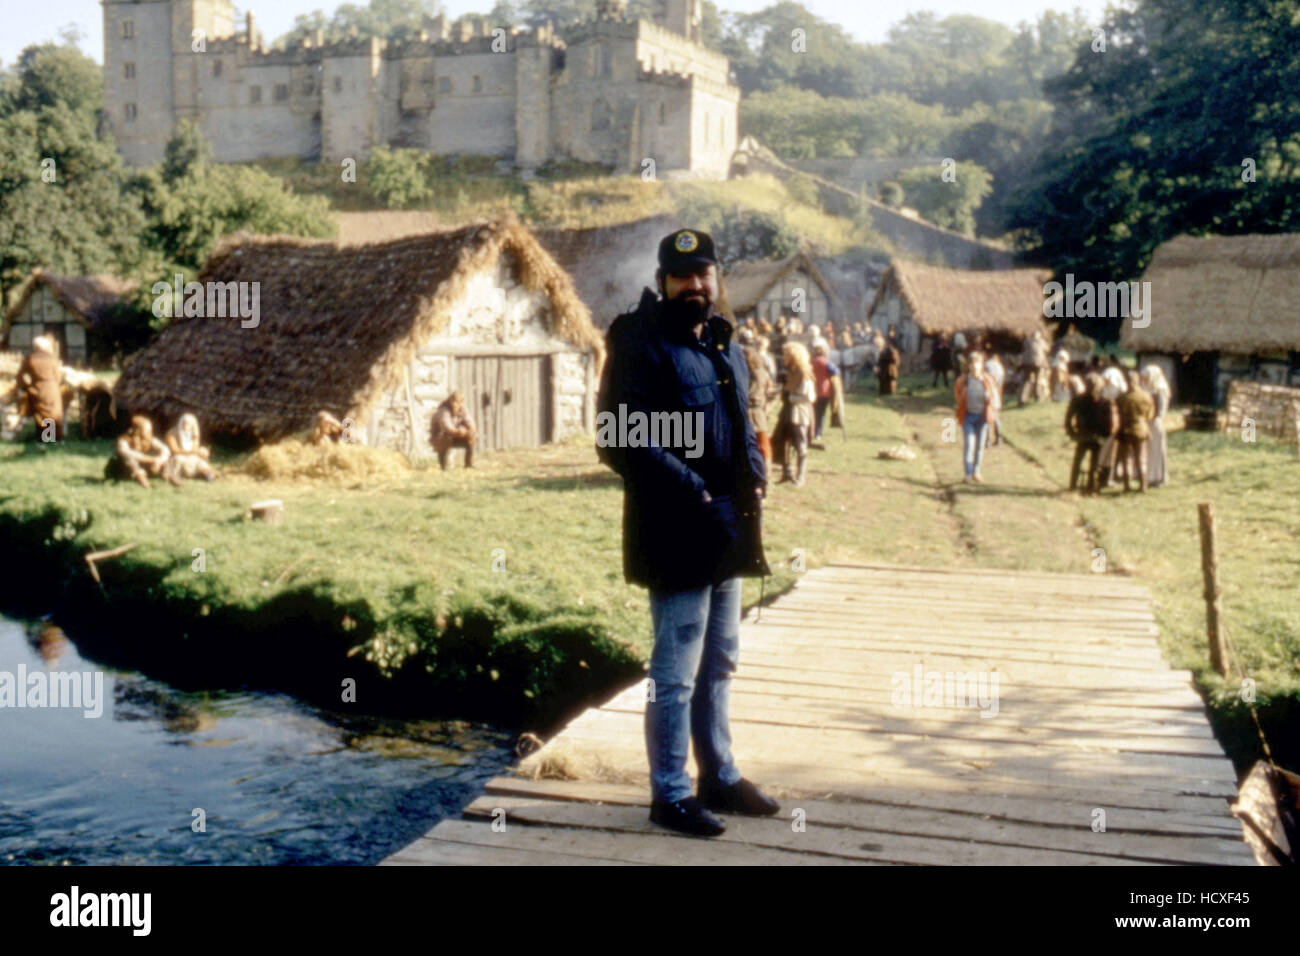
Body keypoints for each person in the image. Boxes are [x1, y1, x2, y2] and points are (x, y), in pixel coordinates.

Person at [595, 228, 776, 839]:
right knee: (675, 669)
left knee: (720, 660)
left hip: (729, 527)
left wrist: (756, 472)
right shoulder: (639, 341)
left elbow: (742, 420)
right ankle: (668, 793)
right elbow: (619, 436)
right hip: (674, 527)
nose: (694, 285)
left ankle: (718, 776)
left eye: (704, 274)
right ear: (663, 281)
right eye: (682, 276)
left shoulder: (724, 343)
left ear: (716, 279)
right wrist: (690, 485)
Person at [954, 350, 999, 483]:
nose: (975, 367)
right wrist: (962, 399)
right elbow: (957, 394)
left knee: (979, 446)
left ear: (982, 365)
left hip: (982, 417)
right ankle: (968, 473)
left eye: (977, 363)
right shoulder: (964, 380)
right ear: (968, 366)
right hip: (968, 416)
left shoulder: (987, 380)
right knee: (969, 444)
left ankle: (976, 471)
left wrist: (990, 399)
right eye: (972, 364)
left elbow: (994, 397)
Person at [1065, 373, 1113, 494]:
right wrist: (1105, 436)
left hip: (1082, 435)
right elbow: (1109, 422)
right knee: (1094, 463)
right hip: (1096, 437)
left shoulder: (1078, 399)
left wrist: (1072, 434)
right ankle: (1091, 487)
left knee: (1078, 460)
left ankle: (1073, 485)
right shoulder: (1105, 401)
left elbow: (1068, 419)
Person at [775, 341, 815, 486]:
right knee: (784, 442)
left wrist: (791, 397)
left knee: (800, 444)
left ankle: (801, 477)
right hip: (788, 411)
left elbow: (810, 396)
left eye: (786, 354)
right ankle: (787, 473)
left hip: (799, 412)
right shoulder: (791, 371)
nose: (784, 356)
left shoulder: (803, 372)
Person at [15, 335, 65, 441]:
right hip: (52, 388)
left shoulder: (30, 358)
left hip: (37, 388)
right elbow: (58, 376)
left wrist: (26, 386)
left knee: (41, 413)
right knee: (53, 413)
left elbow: (20, 376)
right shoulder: (53, 358)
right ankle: (54, 438)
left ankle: (44, 438)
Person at [106, 415, 175, 488]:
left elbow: (165, 449)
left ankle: (168, 475)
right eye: (147, 430)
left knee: (164, 455)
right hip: (122, 469)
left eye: (150, 429)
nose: (150, 432)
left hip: (142, 465)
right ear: (138, 430)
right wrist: (153, 460)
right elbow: (128, 453)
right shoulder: (124, 439)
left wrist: (159, 461)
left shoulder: (149, 438)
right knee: (129, 459)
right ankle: (141, 477)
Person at [1116, 369, 1155, 492]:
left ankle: (1127, 485)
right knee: (1141, 457)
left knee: (1126, 458)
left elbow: (1118, 414)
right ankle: (1143, 485)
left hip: (1125, 429)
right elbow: (1150, 415)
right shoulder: (1147, 396)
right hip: (1142, 429)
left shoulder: (1121, 398)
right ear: (1137, 381)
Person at [743, 344, 778, 471]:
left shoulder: (759, 374)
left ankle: (765, 473)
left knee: (762, 444)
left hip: (755, 412)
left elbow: (772, 393)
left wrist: (766, 407)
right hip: (750, 411)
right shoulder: (747, 372)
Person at [429, 390, 476, 470]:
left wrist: (469, 432)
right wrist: (460, 432)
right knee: (446, 438)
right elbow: (447, 428)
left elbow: (470, 422)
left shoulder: (462, 409)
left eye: (457, 402)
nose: (455, 404)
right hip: (439, 437)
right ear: (450, 400)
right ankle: (444, 465)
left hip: (454, 434)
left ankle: (468, 465)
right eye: (453, 401)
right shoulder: (443, 411)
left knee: (471, 436)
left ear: (461, 402)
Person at [1141, 365, 1171, 487]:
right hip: (1146, 423)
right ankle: (1148, 476)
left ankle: (1159, 477)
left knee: (1157, 451)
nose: (1144, 380)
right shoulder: (1145, 388)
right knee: (1147, 451)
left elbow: (1160, 411)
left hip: (1155, 423)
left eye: (1147, 378)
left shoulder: (1161, 390)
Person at [164, 412, 216, 482]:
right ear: (181, 422)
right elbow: (174, 450)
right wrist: (192, 451)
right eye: (184, 423)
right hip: (177, 455)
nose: (186, 425)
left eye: (189, 424)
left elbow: (195, 445)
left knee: (200, 461)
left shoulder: (192, 433)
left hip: (191, 455)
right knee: (179, 459)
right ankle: (175, 476)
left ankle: (207, 474)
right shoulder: (171, 433)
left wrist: (199, 451)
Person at [810, 340, 839, 446]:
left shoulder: (811, 361)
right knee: (821, 414)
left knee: (813, 412)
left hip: (813, 391)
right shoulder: (826, 362)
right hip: (824, 391)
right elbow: (836, 372)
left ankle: (811, 431)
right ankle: (818, 433)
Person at [1018, 330, 1049, 405]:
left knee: (1026, 381)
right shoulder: (1041, 341)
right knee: (1038, 380)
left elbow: (1024, 349)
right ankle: (1038, 396)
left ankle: (1022, 399)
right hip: (1039, 363)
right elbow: (1047, 349)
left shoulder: (1026, 341)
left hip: (1027, 363)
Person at [984, 350, 1006, 446]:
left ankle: (987, 440)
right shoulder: (1000, 367)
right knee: (995, 416)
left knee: (986, 417)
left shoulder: (986, 365)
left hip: (987, 391)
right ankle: (998, 438)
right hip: (995, 391)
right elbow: (1001, 382)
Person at [877, 330, 900, 396]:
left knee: (891, 381)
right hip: (884, 369)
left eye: (887, 343)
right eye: (886, 343)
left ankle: (891, 392)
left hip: (891, 368)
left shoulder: (893, 351)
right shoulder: (883, 351)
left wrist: (886, 360)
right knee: (883, 381)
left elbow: (895, 360)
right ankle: (884, 392)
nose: (886, 344)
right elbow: (880, 359)